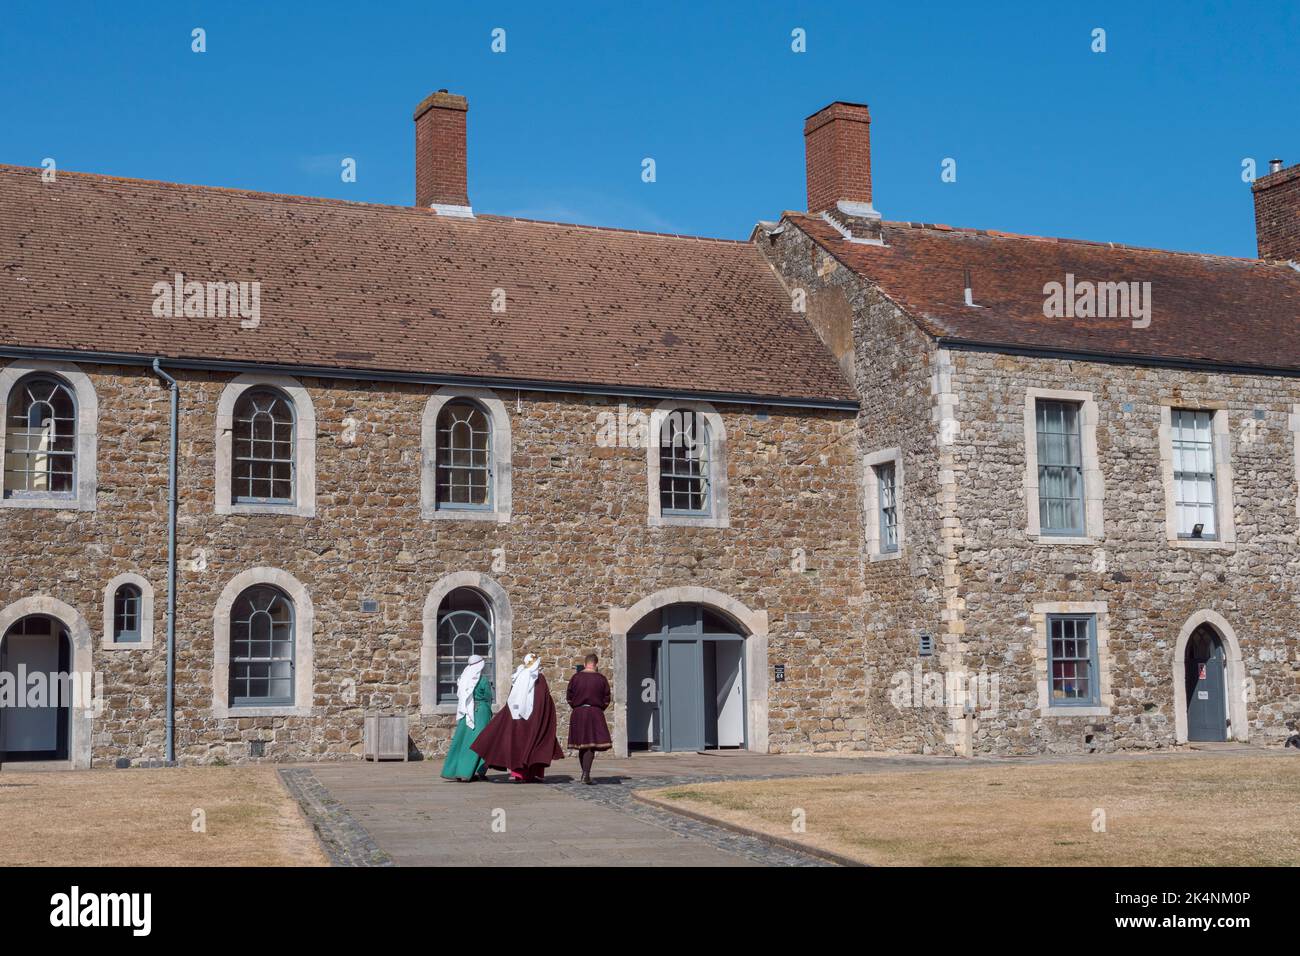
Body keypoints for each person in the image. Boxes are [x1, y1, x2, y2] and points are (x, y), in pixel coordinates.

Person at [470, 653, 564, 782]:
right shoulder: (538, 678)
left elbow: (513, 698)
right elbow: (544, 700)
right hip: (533, 719)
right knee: (532, 746)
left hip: (516, 718)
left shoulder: (519, 676)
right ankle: (527, 774)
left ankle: (519, 774)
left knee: (518, 745)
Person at [439, 654, 492, 782]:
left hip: (465, 714)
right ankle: (473, 771)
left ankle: (456, 771)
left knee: (462, 741)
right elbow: (487, 697)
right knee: (481, 741)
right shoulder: (483, 680)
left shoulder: (463, 677)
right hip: (480, 712)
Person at [566, 653, 613, 785]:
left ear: (585, 663)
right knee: (589, 745)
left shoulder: (576, 678)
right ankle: (586, 774)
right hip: (594, 712)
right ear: (596, 664)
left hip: (579, 712)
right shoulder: (601, 679)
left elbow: (569, 696)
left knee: (583, 745)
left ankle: (585, 774)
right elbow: (606, 698)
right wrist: (598, 709)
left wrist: (577, 707)